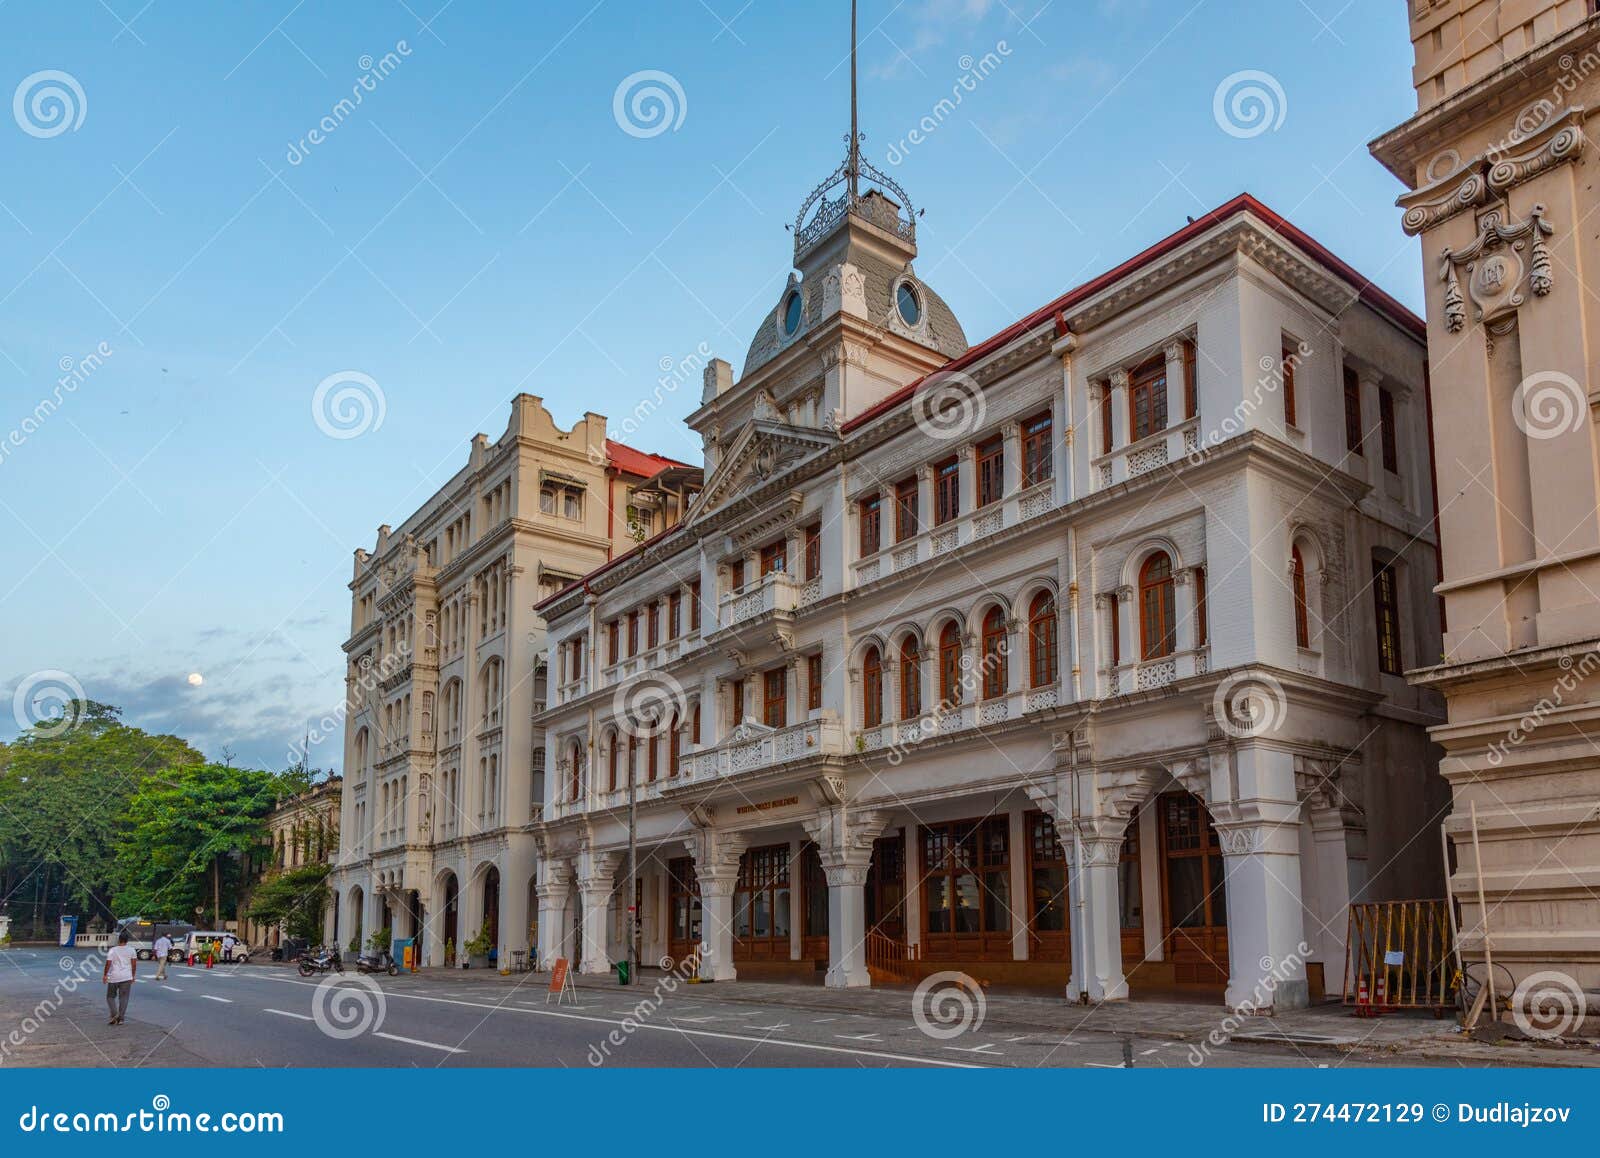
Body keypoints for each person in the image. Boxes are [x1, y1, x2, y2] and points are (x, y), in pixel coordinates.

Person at [103, 932, 137, 1026]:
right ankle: (121, 1019)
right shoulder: (132, 950)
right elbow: (134, 964)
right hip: (126, 977)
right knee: (124, 998)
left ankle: (114, 1014)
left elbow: (108, 963)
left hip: (114, 977)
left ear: (119, 940)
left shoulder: (112, 950)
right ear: (127, 940)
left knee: (110, 997)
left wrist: (105, 975)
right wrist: (133, 976)